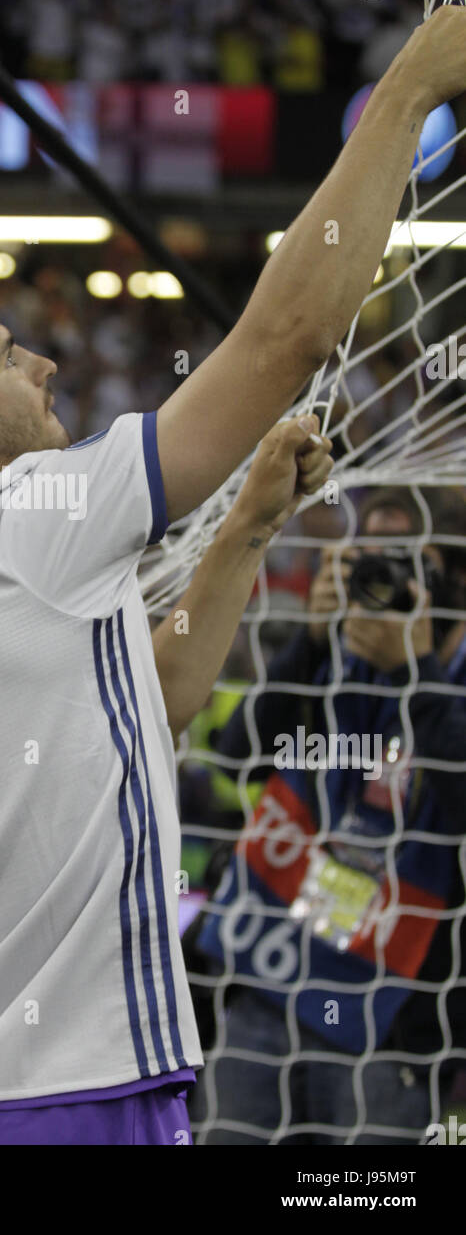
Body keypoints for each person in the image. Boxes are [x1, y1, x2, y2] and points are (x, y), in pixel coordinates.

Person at [0, 4, 466, 1145]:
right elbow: (284, 340)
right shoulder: (22, 521)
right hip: (56, 1096)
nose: (46, 363)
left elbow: (153, 696)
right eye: (9, 357)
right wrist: (410, 90)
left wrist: (245, 529)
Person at [190, 486, 466, 1144]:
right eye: (369, 556)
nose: (383, 576)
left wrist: (418, 673)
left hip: (390, 1027)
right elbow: (238, 758)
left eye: (406, 561)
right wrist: (310, 644)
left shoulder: (451, 676)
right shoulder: (334, 654)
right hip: (273, 982)